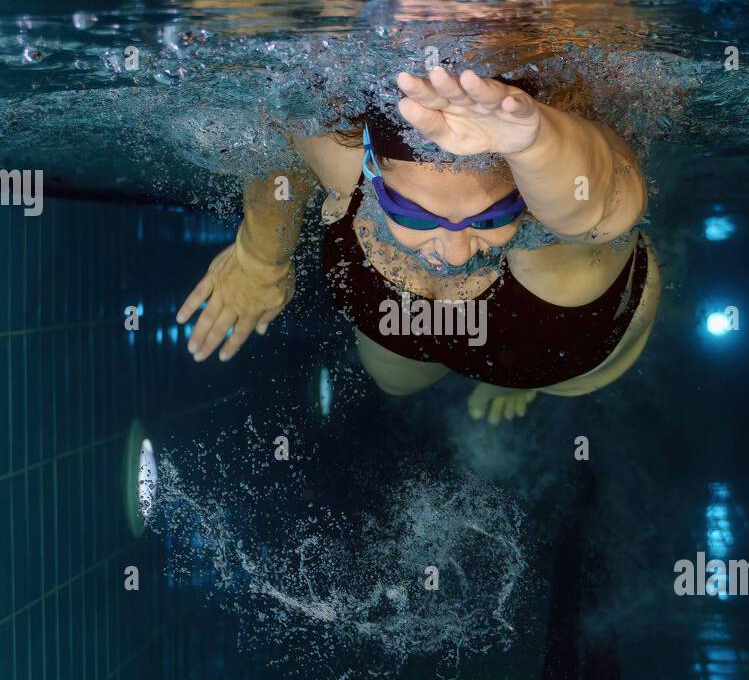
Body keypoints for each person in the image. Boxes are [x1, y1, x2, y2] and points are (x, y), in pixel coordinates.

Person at [177, 68, 661, 423]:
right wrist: (261, 255)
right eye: (414, 214)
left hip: (557, 352)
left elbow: (601, 205)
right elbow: (274, 134)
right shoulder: (343, 158)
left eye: (492, 216)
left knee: (558, 386)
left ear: (526, 191)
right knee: (395, 382)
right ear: (371, 171)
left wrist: (536, 143)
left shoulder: (561, 220)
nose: (453, 254)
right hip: (401, 331)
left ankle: (516, 386)